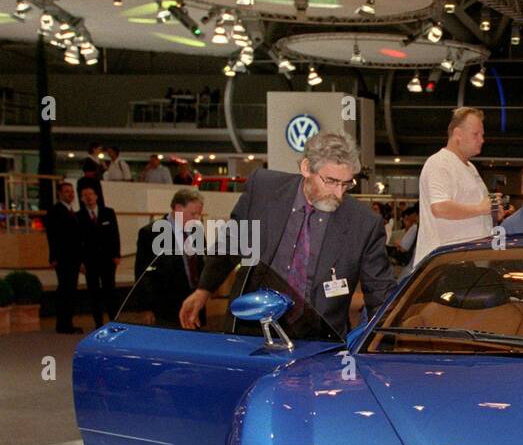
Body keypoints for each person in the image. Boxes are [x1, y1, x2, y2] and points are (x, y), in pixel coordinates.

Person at [179, 131, 395, 337]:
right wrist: (204, 290)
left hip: (319, 340)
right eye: (331, 181)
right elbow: (231, 243)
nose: (339, 193)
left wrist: (382, 348)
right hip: (253, 330)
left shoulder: (364, 223)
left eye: (346, 183)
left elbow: (380, 292)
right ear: (306, 168)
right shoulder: (263, 189)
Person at [415, 106, 498, 267]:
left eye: (482, 134)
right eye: (476, 134)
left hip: (469, 260)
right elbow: (440, 208)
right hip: (448, 262)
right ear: (458, 134)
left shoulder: (470, 167)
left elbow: (478, 206)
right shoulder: (439, 163)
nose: (482, 139)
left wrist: (492, 211)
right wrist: (481, 209)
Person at [132, 188, 205, 325]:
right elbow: (142, 273)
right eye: (193, 214)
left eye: (199, 214)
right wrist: (146, 308)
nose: (197, 219)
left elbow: (201, 264)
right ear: (178, 209)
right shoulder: (151, 233)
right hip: (165, 309)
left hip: (194, 306)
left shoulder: (197, 231)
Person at [76, 183, 121, 328]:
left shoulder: (108, 212)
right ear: (82, 199)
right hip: (90, 260)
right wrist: (81, 262)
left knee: (110, 290)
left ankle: (114, 320)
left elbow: (115, 234)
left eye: (91, 194)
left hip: (108, 259)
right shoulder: (79, 216)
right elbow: (78, 241)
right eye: (85, 195)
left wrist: (116, 254)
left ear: (96, 196)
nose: (88, 197)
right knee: (93, 292)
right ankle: (98, 323)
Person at [45, 181, 83, 334]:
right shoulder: (55, 211)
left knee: (70, 290)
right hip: (63, 257)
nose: (70, 194)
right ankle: (63, 323)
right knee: (65, 290)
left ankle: (67, 321)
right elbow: (52, 236)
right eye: (67, 191)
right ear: (60, 194)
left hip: (72, 258)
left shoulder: (72, 211)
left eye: (72, 191)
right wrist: (53, 256)